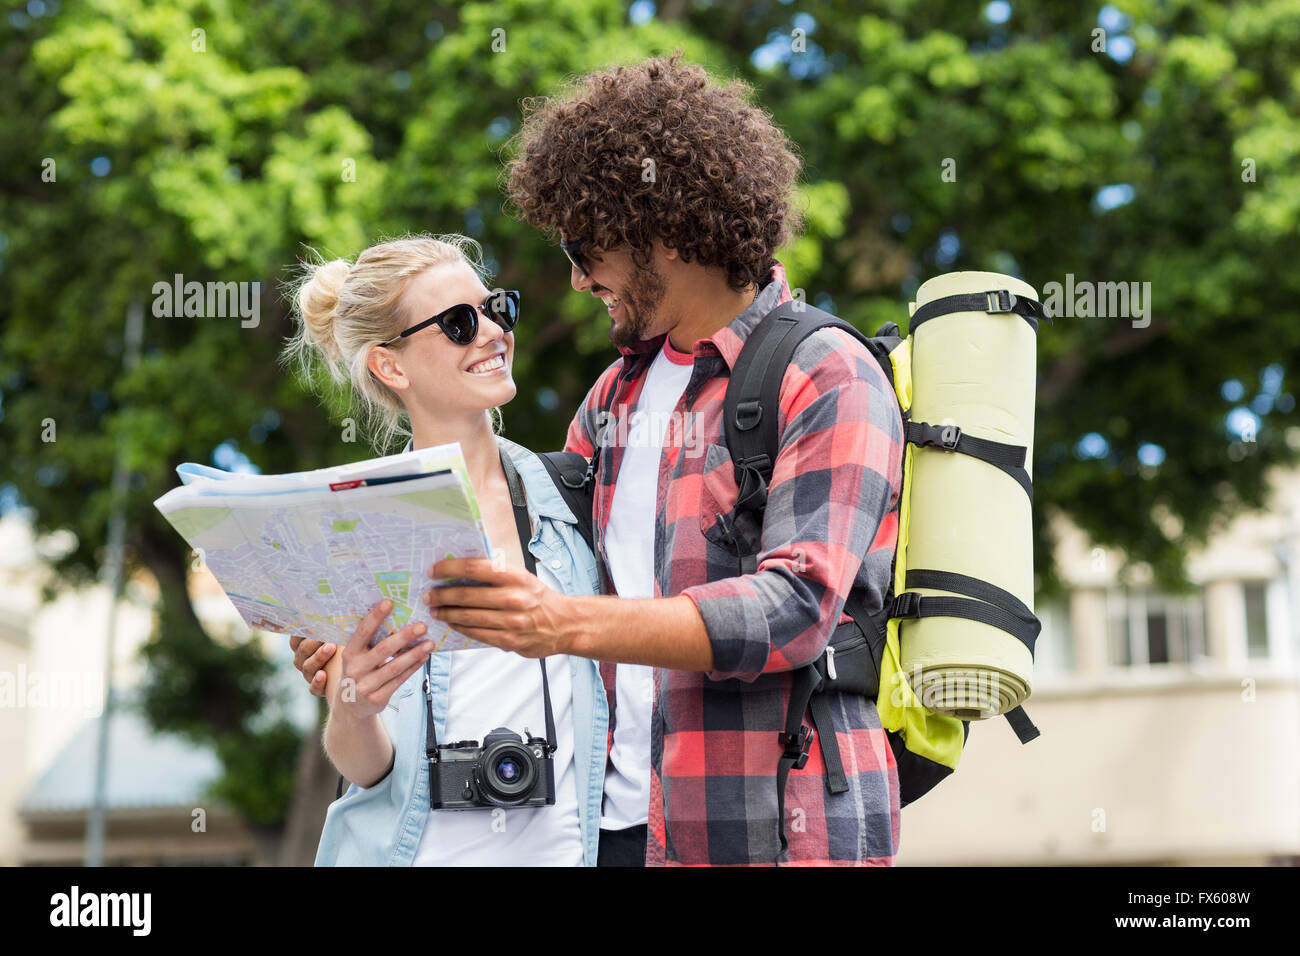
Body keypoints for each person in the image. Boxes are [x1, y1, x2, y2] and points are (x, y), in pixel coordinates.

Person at [424, 55, 905, 866]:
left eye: (587, 247)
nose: (577, 280)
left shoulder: (825, 372)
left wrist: (563, 624)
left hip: (778, 835)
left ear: (668, 232)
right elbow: (526, 549)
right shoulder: (615, 396)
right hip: (614, 834)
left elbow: (796, 607)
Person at [283, 233, 608, 866]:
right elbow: (369, 769)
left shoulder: (577, 498)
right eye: (459, 323)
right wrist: (353, 707)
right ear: (391, 366)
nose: (492, 332)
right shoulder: (354, 533)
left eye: (496, 309)